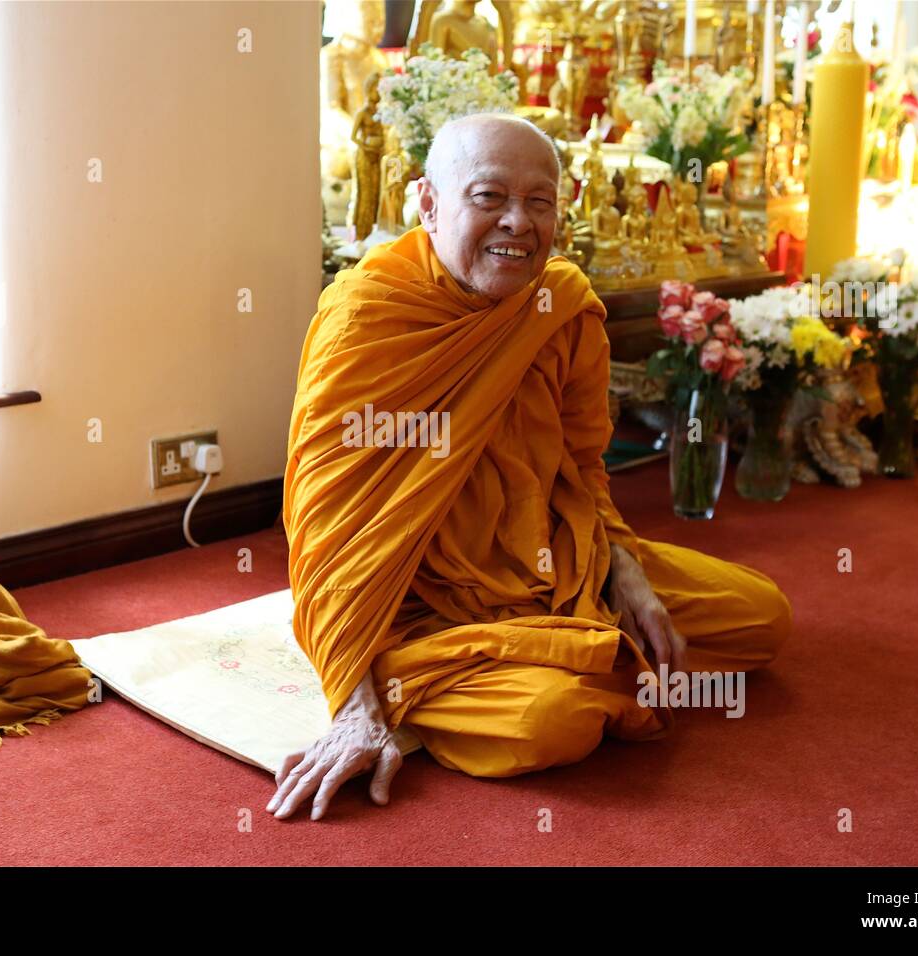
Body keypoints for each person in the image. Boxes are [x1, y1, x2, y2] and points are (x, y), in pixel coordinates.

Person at [272, 113, 791, 821]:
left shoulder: (560, 304)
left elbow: (582, 467)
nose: (518, 223)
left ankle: (570, 649)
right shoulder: (368, 318)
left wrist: (625, 568)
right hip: (422, 603)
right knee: (552, 720)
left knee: (761, 618)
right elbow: (326, 527)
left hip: (557, 560)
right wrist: (354, 705)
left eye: (539, 202)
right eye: (489, 198)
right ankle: (416, 679)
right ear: (426, 202)